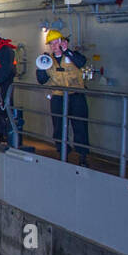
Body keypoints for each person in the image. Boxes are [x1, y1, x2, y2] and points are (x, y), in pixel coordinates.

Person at [34, 29, 91, 165]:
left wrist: (67, 52)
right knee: (58, 126)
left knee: (80, 126)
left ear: (63, 42)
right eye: (51, 44)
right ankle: (62, 152)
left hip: (76, 95)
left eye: (56, 43)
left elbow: (81, 62)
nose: (54, 46)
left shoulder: (73, 56)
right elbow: (41, 80)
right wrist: (41, 66)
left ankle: (82, 156)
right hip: (58, 96)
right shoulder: (48, 60)